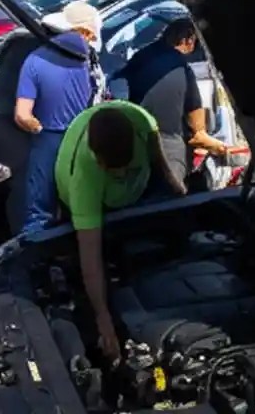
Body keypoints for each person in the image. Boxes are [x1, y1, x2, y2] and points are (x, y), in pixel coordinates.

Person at [55, 101, 184, 362]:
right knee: (98, 267)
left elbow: (161, 164)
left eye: (128, 167)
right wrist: (103, 319)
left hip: (137, 199)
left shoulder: (141, 122)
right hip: (93, 206)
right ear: (99, 160)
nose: (123, 173)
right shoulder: (84, 177)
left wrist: (180, 195)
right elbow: (89, 257)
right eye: (115, 172)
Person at [11, 1, 98, 235]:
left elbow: (22, 115)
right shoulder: (91, 62)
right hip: (83, 142)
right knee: (83, 212)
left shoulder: (35, 60)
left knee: (38, 214)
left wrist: (40, 129)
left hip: (48, 142)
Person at [120, 19, 227, 186]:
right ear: (187, 41)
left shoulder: (138, 58)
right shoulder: (182, 69)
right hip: (169, 156)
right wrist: (221, 148)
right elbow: (198, 136)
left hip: (134, 150)